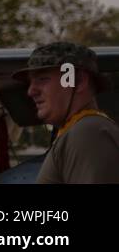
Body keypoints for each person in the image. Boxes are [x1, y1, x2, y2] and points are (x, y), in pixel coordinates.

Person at [12, 41, 119, 183]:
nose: (31, 91)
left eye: (43, 79)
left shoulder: (88, 132)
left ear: (79, 81)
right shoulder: (82, 131)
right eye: (30, 82)